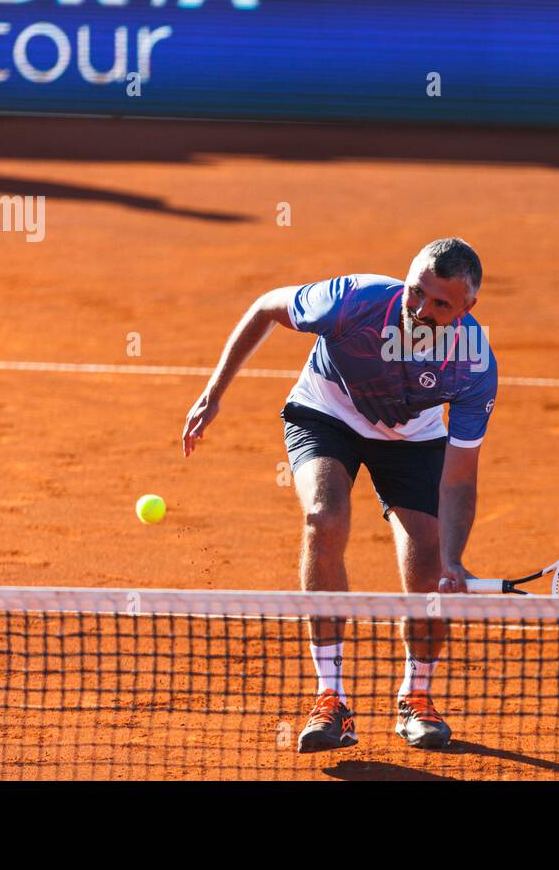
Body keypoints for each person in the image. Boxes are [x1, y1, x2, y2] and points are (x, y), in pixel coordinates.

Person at [182, 239, 498, 752]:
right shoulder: (352, 300)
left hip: (412, 437)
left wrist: (455, 559)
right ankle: (331, 699)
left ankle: (416, 697)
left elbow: (460, 477)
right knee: (323, 518)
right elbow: (266, 307)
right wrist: (213, 393)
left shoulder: (474, 366)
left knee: (428, 564)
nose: (420, 310)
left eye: (440, 304)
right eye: (416, 292)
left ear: (467, 309)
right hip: (327, 412)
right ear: (406, 279)